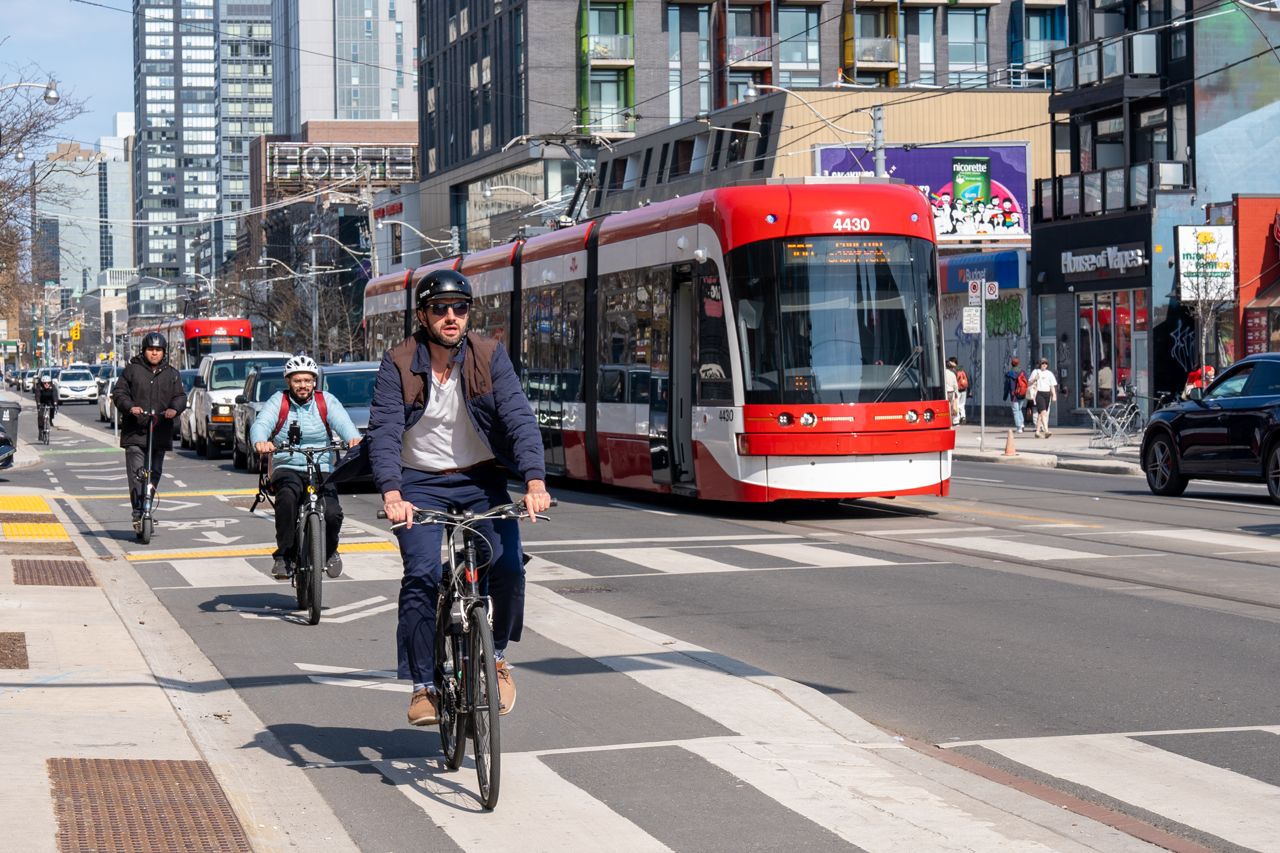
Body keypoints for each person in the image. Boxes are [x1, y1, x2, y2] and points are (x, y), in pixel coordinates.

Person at [369, 269, 551, 727]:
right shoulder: (399, 362)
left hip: (480, 478)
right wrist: (393, 492)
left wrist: (534, 481)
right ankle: (422, 686)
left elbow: (518, 418)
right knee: (422, 575)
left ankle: (500, 655)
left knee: (509, 564)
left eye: (460, 308)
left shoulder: (489, 356)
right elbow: (386, 432)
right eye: (440, 309)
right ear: (423, 315)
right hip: (419, 482)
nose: (451, 317)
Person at [251, 354, 362, 581]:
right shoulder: (278, 401)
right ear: (288, 381)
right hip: (288, 464)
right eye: (297, 380)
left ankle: (330, 550)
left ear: (314, 381)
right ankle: (284, 556)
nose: (303, 385)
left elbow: (343, 423)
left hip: (321, 465)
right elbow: (261, 424)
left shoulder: (325, 401)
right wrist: (260, 441)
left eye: (308, 380)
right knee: (288, 500)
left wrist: (353, 439)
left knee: (332, 512)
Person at [112, 333, 186, 530]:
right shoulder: (132, 370)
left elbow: (180, 396)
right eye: (151, 349)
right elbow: (119, 393)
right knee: (138, 474)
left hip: (159, 431)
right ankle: (138, 513)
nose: (154, 353)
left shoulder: (172, 374)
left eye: (158, 350)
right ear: (144, 351)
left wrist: (174, 409)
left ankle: (147, 507)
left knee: (154, 472)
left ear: (164, 352)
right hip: (135, 432)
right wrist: (130, 407)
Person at [1027, 357, 1059, 437]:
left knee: (1041, 414)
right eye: (1043, 363)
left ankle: (1037, 431)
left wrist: (1054, 395)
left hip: (1047, 394)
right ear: (1040, 364)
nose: (1044, 365)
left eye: (1046, 363)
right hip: (1039, 394)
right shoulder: (1036, 372)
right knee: (1043, 412)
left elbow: (1052, 385)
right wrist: (1035, 379)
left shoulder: (1049, 373)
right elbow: (1029, 382)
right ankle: (1046, 430)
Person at [1002, 357, 1027, 433]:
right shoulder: (1023, 372)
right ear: (1018, 363)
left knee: (1016, 411)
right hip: (1022, 394)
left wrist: (1005, 396)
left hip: (1014, 395)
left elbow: (1007, 387)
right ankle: (1022, 424)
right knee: (1019, 409)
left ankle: (1019, 427)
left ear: (1011, 364)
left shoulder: (1009, 374)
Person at [947, 356, 969, 424]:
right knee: (962, 404)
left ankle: (957, 419)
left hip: (958, 389)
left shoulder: (954, 371)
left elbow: (954, 381)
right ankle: (963, 417)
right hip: (964, 389)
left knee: (956, 404)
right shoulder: (961, 369)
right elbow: (967, 378)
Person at [944, 359, 959, 426]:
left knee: (945, 407)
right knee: (951, 407)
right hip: (951, 391)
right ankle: (951, 421)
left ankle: (946, 421)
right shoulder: (952, 373)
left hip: (945, 391)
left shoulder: (943, 373)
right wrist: (956, 392)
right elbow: (955, 384)